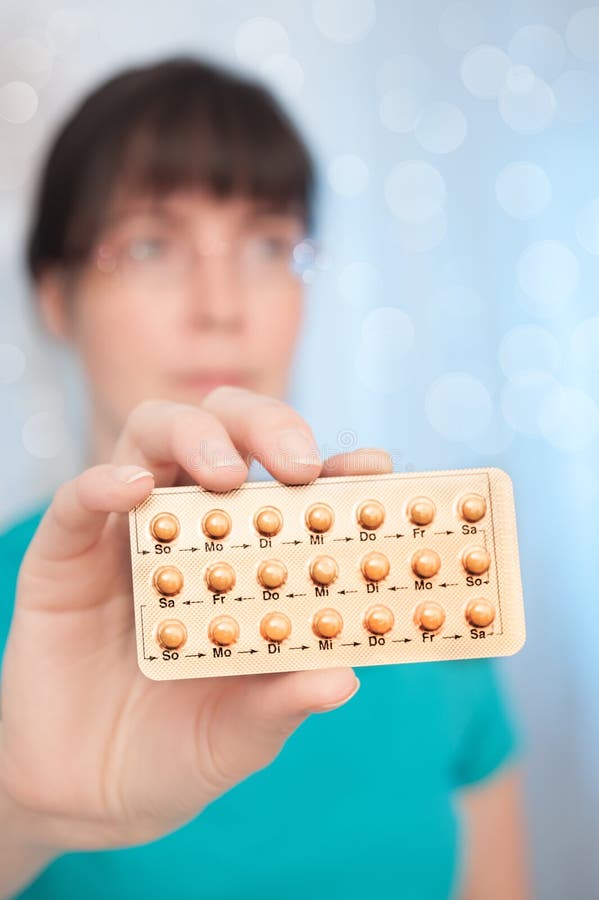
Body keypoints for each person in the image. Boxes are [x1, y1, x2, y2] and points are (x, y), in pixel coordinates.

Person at [0, 57, 528, 899]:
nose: (221, 304)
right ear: (55, 296)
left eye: (267, 244)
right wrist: (20, 818)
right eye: (150, 245)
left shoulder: (424, 588)